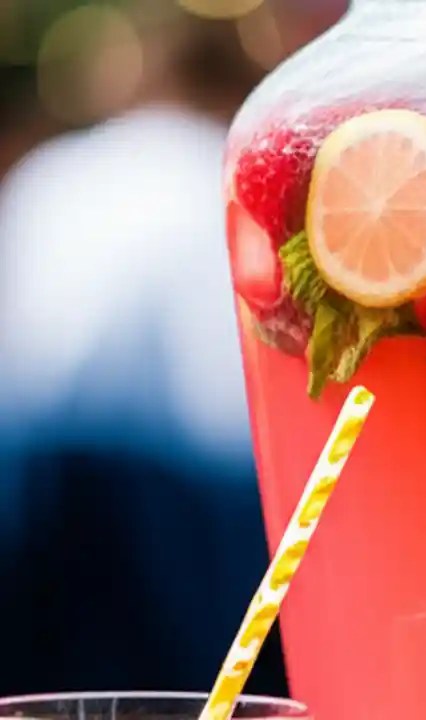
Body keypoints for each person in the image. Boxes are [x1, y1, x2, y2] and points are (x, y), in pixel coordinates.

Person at [0, 2, 346, 697]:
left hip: (31, 490)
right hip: (181, 507)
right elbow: (230, 405)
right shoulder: (230, 180)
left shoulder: (54, 172)